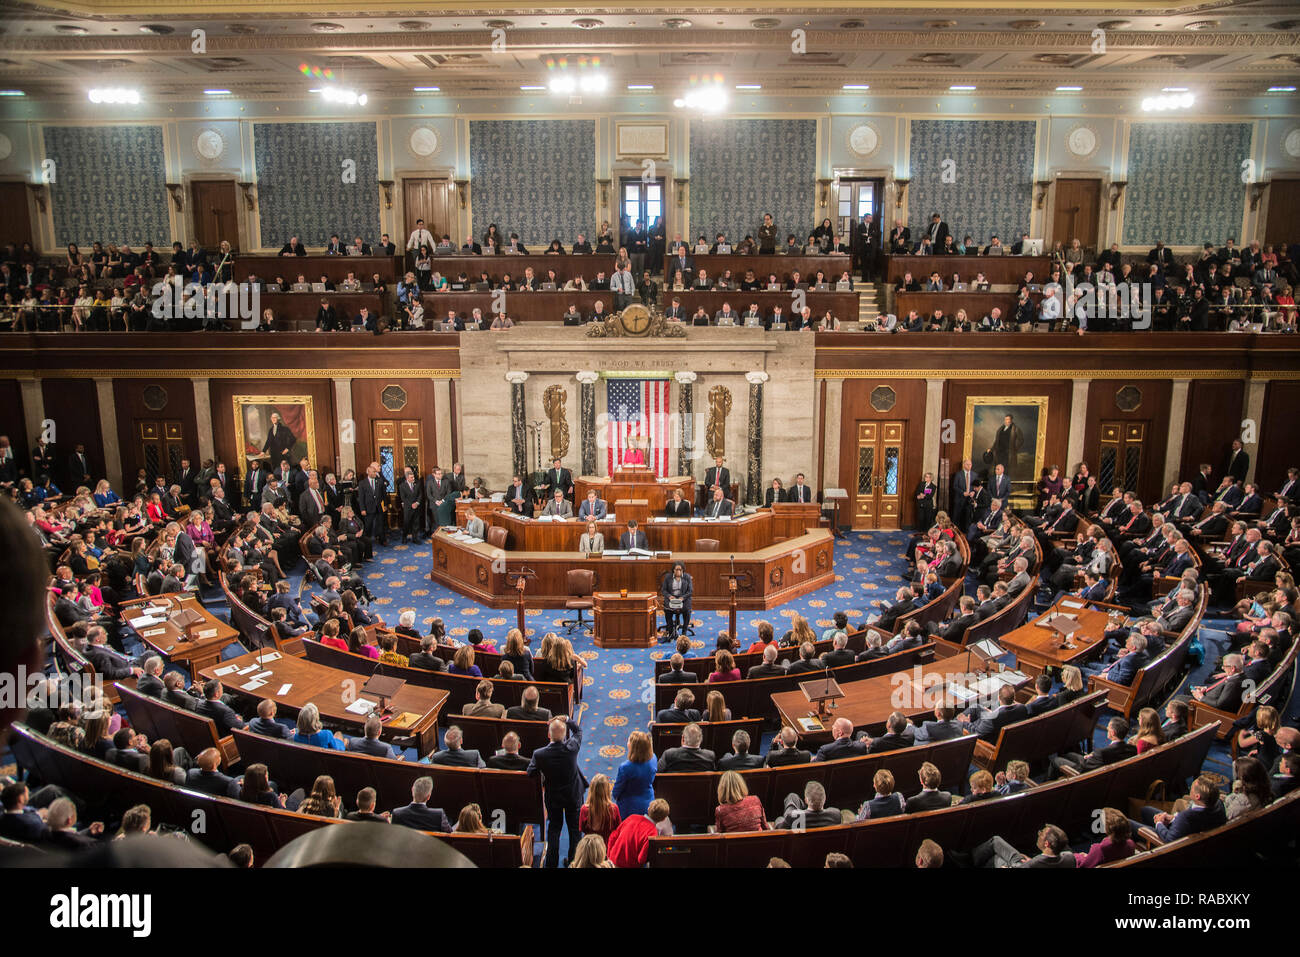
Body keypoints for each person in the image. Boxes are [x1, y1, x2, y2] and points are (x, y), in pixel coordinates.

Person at [528, 715, 586, 868]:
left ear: (549, 735)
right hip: (573, 795)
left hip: (553, 797)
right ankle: (574, 862)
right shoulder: (571, 747)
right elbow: (579, 731)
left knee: (554, 829)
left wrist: (543, 777)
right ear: (566, 734)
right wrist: (567, 719)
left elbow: (531, 772)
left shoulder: (539, 754)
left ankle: (551, 864)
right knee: (575, 830)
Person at [607, 798, 673, 868]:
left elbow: (613, 836)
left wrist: (609, 855)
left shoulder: (632, 817)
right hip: (630, 865)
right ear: (663, 819)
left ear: (648, 809)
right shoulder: (652, 832)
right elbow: (641, 858)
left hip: (612, 861)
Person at [613, 730, 656, 819]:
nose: (627, 742)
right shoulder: (653, 758)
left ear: (634, 747)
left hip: (629, 806)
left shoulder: (626, 767)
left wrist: (615, 795)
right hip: (648, 801)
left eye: (629, 741)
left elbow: (616, 791)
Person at [660, 562, 692, 639]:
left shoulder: (687, 577)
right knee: (667, 610)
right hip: (672, 598)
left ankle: (684, 632)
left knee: (687, 610)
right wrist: (669, 596)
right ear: (673, 570)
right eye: (676, 569)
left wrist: (683, 597)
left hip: (683, 599)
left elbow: (690, 591)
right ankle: (670, 631)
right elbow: (664, 590)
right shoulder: (668, 577)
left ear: (683, 570)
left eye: (680, 569)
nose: (678, 571)